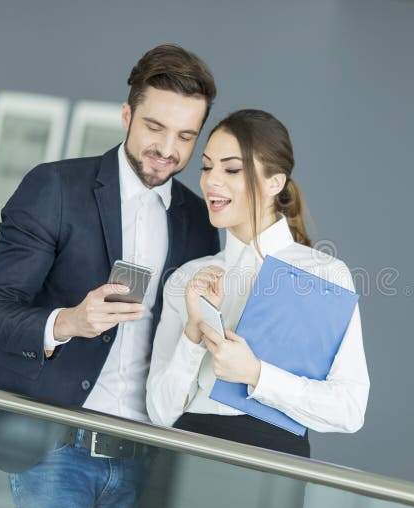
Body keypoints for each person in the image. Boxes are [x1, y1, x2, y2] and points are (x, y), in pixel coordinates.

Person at [0, 44, 219, 508]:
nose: (168, 150)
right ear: (127, 114)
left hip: (145, 463)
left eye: (186, 136)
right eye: (155, 127)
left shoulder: (200, 222)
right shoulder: (55, 188)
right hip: (51, 448)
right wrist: (68, 321)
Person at [146, 109, 369, 459]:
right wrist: (193, 333)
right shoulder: (189, 279)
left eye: (231, 169)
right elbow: (160, 413)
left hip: (274, 467)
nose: (210, 181)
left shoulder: (324, 274)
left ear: (274, 182)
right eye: (206, 166)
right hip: (184, 458)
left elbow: (349, 409)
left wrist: (256, 374)